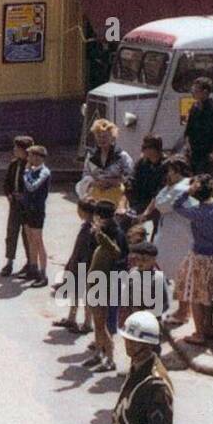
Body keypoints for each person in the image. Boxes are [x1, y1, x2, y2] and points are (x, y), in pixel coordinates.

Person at [172, 173, 213, 345]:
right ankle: (209, 328)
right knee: (208, 295)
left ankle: (199, 333)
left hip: (201, 256)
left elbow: (176, 205)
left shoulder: (196, 212)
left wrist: (187, 191)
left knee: (197, 296)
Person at [144, 157, 193, 321]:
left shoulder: (182, 187)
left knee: (181, 275)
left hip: (180, 238)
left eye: (170, 171)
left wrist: (162, 196)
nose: (168, 175)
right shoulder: (173, 187)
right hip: (171, 236)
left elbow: (162, 204)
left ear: (178, 171)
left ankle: (183, 312)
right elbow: (159, 200)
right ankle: (182, 310)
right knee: (174, 273)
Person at [83, 200, 125, 372]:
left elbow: (117, 254)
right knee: (98, 323)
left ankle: (110, 358)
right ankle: (99, 353)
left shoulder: (113, 236)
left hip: (104, 284)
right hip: (97, 283)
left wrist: (100, 235)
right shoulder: (108, 234)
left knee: (102, 325)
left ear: (100, 217)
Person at [53, 199, 96, 332]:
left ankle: (88, 323)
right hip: (78, 264)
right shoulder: (86, 226)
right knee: (75, 293)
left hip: (85, 265)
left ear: (83, 211)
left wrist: (79, 265)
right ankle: (71, 319)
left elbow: (86, 251)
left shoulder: (91, 229)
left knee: (87, 295)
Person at [183, 77, 213, 178]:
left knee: (204, 187)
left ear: (205, 92)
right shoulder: (194, 108)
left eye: (196, 90)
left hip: (207, 157)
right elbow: (188, 131)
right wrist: (187, 147)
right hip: (194, 156)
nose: (193, 92)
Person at [79, 119, 132, 210]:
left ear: (113, 137)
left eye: (105, 136)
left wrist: (115, 181)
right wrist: (94, 182)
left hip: (116, 195)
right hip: (95, 195)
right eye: (98, 136)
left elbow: (130, 176)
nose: (101, 139)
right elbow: (86, 174)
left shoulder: (122, 156)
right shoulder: (91, 155)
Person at [17, 145, 51, 287]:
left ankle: (43, 275)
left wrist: (26, 173)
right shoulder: (31, 170)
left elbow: (32, 186)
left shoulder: (44, 172)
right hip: (27, 209)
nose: (28, 158)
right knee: (29, 238)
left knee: (38, 241)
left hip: (37, 210)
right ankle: (32, 269)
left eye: (30, 155)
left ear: (38, 157)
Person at [0, 136, 33, 277]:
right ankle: (9, 262)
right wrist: (9, 195)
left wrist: (25, 197)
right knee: (11, 233)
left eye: (17, 149)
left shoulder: (32, 167)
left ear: (25, 151)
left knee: (27, 235)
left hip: (27, 207)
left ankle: (30, 263)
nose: (14, 150)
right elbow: (7, 183)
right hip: (15, 205)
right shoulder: (14, 165)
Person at [126, 136, 165, 215]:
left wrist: (146, 212)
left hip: (154, 206)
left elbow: (161, 191)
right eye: (143, 147)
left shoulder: (166, 165)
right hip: (138, 203)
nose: (143, 150)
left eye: (146, 147)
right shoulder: (142, 163)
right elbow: (131, 180)